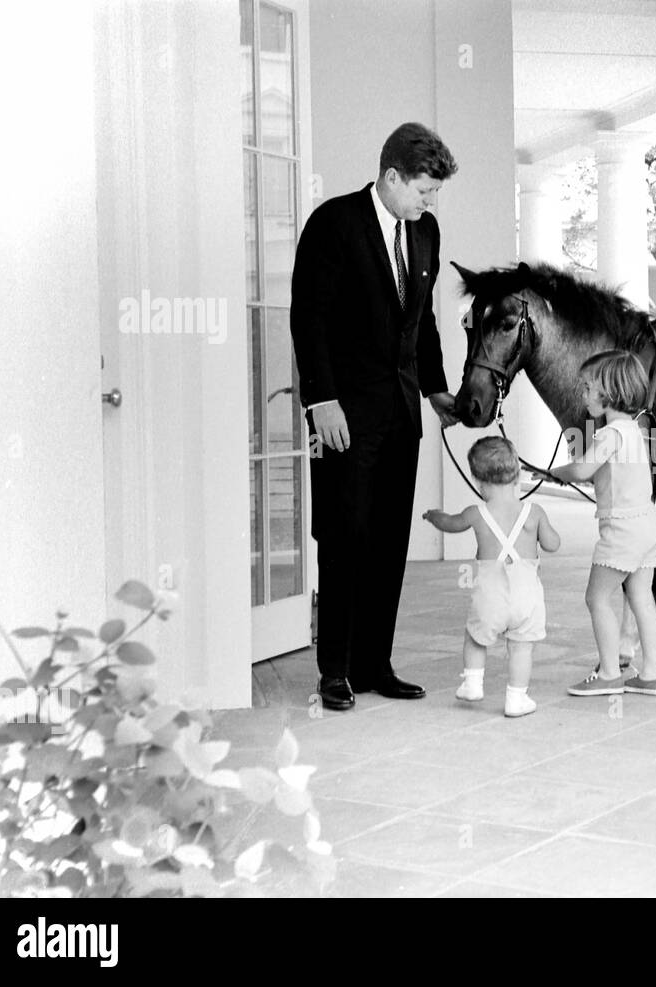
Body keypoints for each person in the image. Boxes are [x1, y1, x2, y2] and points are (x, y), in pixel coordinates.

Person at [289, 122, 460, 712]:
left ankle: (374, 663)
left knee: (389, 540)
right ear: (391, 177)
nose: (430, 202)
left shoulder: (426, 232)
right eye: (424, 190)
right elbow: (308, 319)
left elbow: (424, 320)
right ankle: (334, 670)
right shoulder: (333, 224)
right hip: (342, 414)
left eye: (434, 193)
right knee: (344, 537)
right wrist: (321, 399)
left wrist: (436, 390)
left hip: (400, 413)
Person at [534, 350, 656, 697]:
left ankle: (609, 673)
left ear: (609, 391)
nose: (582, 394)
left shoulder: (610, 434)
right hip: (647, 528)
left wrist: (550, 472)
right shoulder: (636, 431)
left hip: (622, 531)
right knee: (640, 597)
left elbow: (581, 470)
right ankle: (650, 673)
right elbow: (610, 475)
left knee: (597, 598)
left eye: (587, 387)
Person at [422, 437, 560, 718]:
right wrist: (547, 533)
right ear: (517, 474)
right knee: (522, 648)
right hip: (527, 598)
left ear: (478, 481)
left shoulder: (476, 514)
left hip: (490, 596)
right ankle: (516, 699)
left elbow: (449, 523)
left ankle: (472, 683)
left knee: (475, 637)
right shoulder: (534, 512)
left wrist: (435, 516)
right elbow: (552, 544)